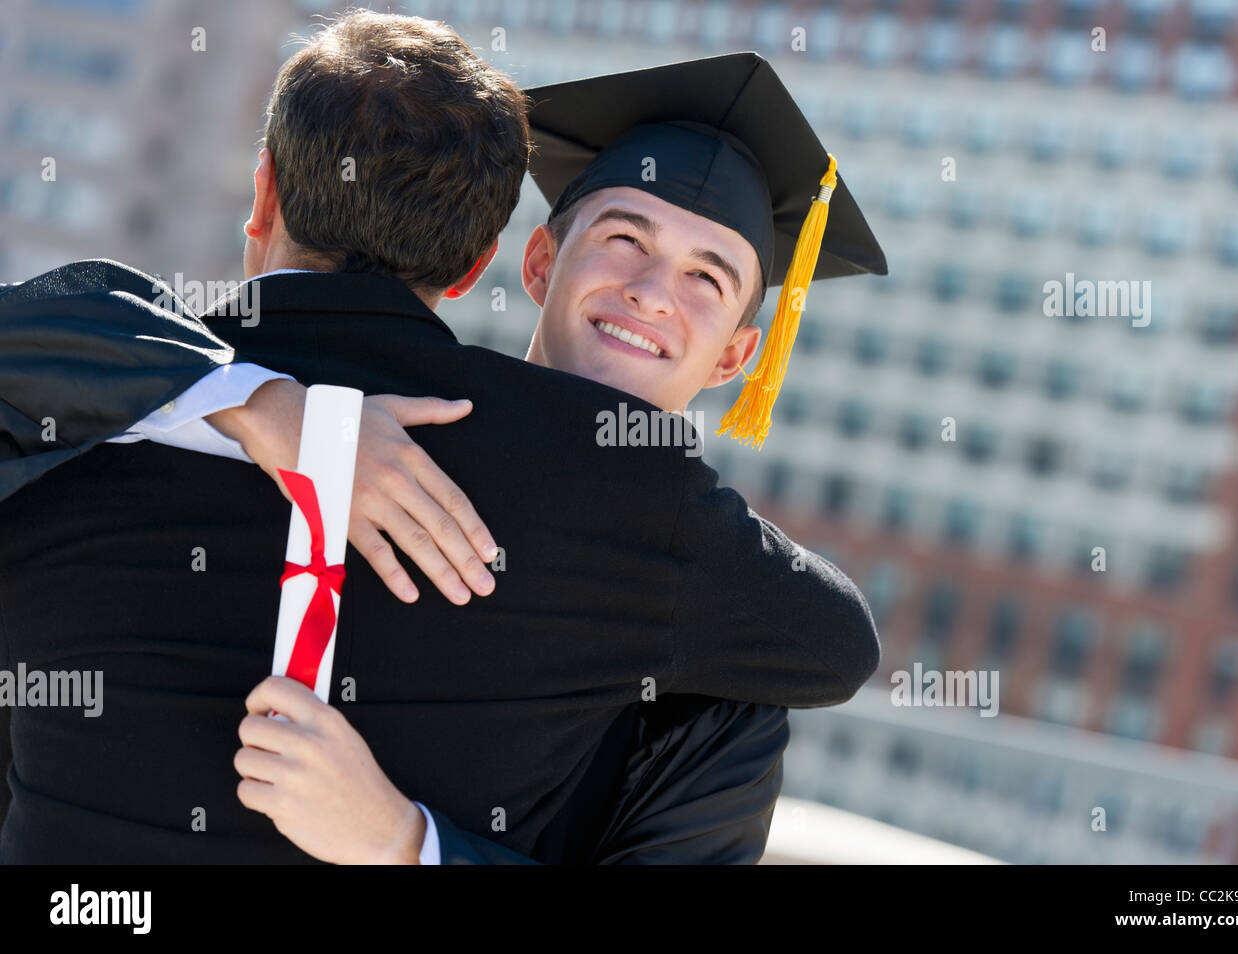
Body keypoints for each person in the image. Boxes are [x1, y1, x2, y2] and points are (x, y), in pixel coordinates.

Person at [0, 16, 883, 865]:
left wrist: (406, 845)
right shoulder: (652, 527)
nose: (653, 293)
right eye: (624, 239)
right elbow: (837, 644)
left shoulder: (91, 411)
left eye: (707, 277)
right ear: (518, 263)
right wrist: (269, 410)